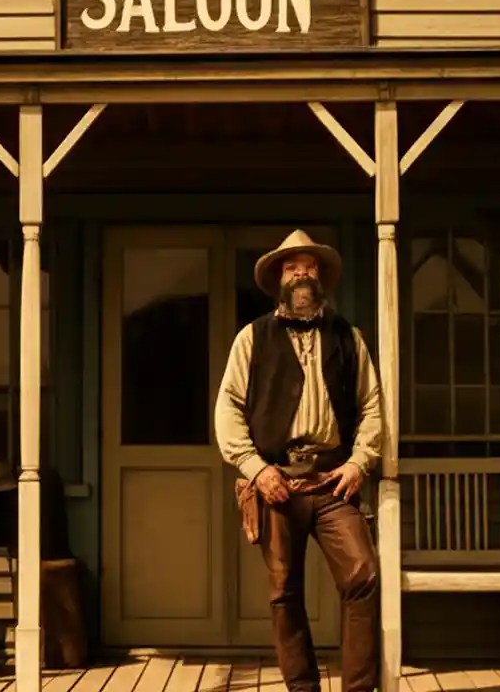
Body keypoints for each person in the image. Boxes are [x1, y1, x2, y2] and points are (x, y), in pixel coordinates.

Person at [215, 229, 385, 692]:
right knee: (283, 592)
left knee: (363, 576)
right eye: (292, 267)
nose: (301, 273)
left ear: (322, 278)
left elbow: (372, 406)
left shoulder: (350, 339)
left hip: (333, 483)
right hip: (276, 482)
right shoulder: (251, 339)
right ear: (277, 279)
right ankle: (303, 689)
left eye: (309, 266)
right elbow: (228, 409)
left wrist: (358, 463)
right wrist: (256, 468)